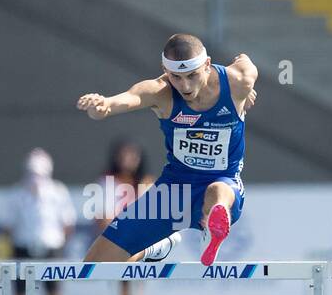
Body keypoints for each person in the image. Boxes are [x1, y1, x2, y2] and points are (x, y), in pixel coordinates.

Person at [75, 34, 256, 267]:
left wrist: (243, 68)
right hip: (173, 191)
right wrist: (101, 106)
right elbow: (124, 100)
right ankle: (155, 248)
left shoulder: (237, 82)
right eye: (176, 78)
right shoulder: (160, 91)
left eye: (192, 75)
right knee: (92, 267)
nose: (186, 86)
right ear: (165, 70)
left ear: (208, 65)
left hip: (222, 182)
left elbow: (247, 64)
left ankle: (212, 225)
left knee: (218, 190)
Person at [72, 139, 156, 295]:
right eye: (125, 155)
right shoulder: (107, 182)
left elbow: (155, 214)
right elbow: (103, 219)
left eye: (134, 155)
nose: (130, 160)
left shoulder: (144, 182)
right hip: (118, 246)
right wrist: (121, 241)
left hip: (140, 248)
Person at [6, 148, 75, 295]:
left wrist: (57, 244)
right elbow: (7, 225)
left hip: (51, 248)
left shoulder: (58, 192)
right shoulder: (16, 194)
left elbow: (68, 224)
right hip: (23, 247)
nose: (36, 180)